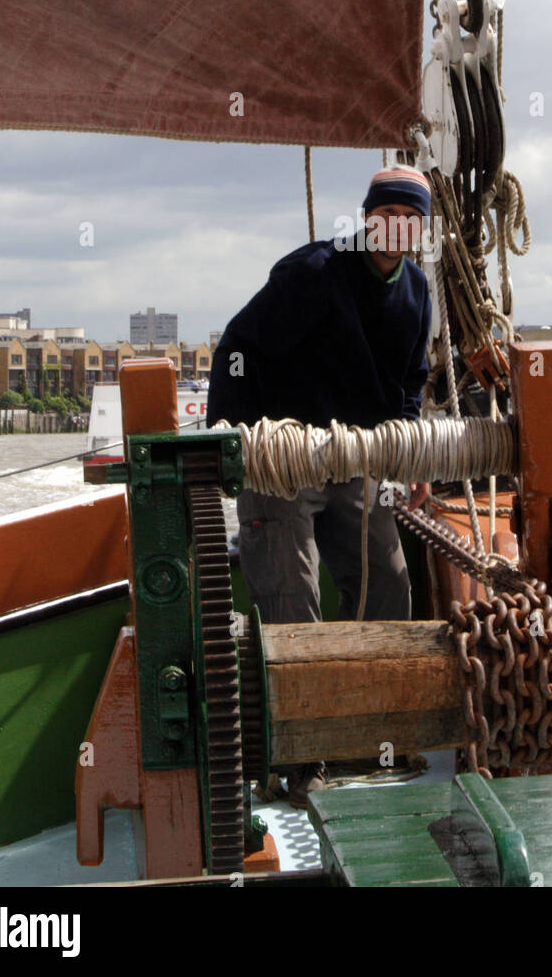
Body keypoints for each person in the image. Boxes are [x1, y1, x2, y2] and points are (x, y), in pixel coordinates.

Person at [207, 165, 433, 805]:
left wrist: (408, 457)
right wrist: (239, 443)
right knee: (292, 591)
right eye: (385, 214)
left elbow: (409, 385)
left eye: (409, 218)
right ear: (367, 218)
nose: (396, 228)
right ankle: (298, 758)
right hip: (284, 456)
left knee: (387, 579)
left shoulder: (416, 290)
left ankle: (371, 737)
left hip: (355, 459)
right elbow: (236, 347)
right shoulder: (312, 274)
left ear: (419, 228)